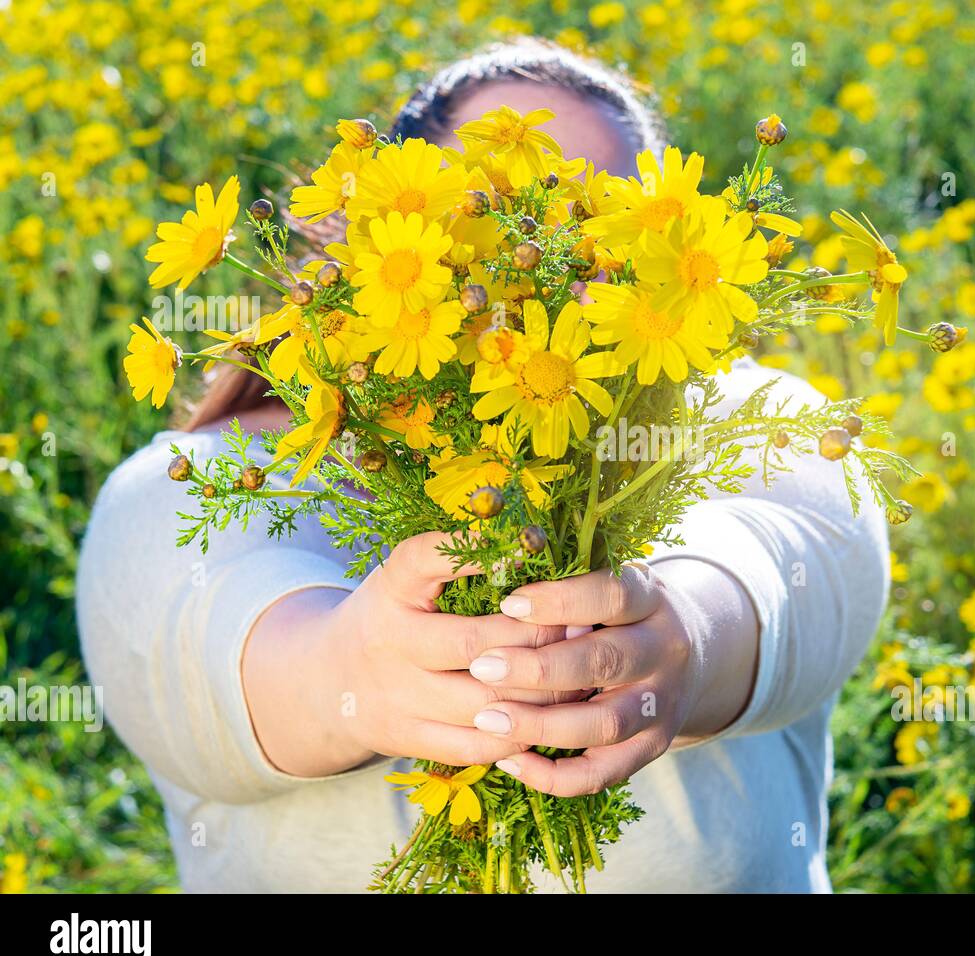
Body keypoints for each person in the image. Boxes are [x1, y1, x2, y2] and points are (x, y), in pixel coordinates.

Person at [76, 39, 890, 893]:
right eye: (502, 209)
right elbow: (189, 633)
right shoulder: (190, 484)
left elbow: (802, 554)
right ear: (377, 243)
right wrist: (349, 670)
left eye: (603, 230)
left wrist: (684, 636)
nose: (557, 264)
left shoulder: (744, 420)